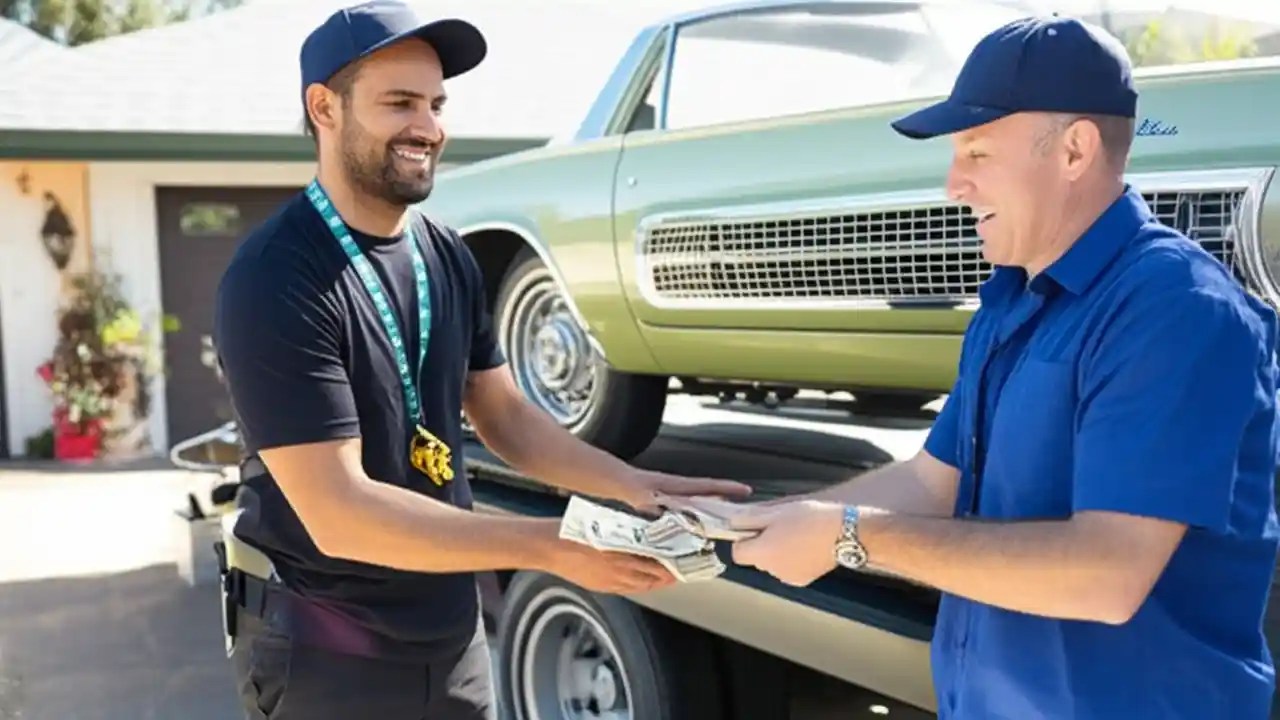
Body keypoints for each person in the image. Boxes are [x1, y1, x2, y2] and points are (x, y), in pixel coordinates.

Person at [692, 15, 1280, 720]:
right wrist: (775, 518)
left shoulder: (1174, 308)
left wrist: (849, 536)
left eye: (977, 151)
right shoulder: (1007, 304)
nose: (954, 185)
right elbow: (930, 483)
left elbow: (1107, 574)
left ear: (1075, 150)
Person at [211, 2, 751, 718]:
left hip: (452, 636)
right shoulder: (275, 276)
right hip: (328, 652)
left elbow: (506, 419)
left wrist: (634, 485)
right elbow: (339, 513)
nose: (428, 128)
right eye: (400, 103)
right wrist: (555, 546)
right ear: (324, 108)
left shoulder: (445, 253)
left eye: (436, 105)